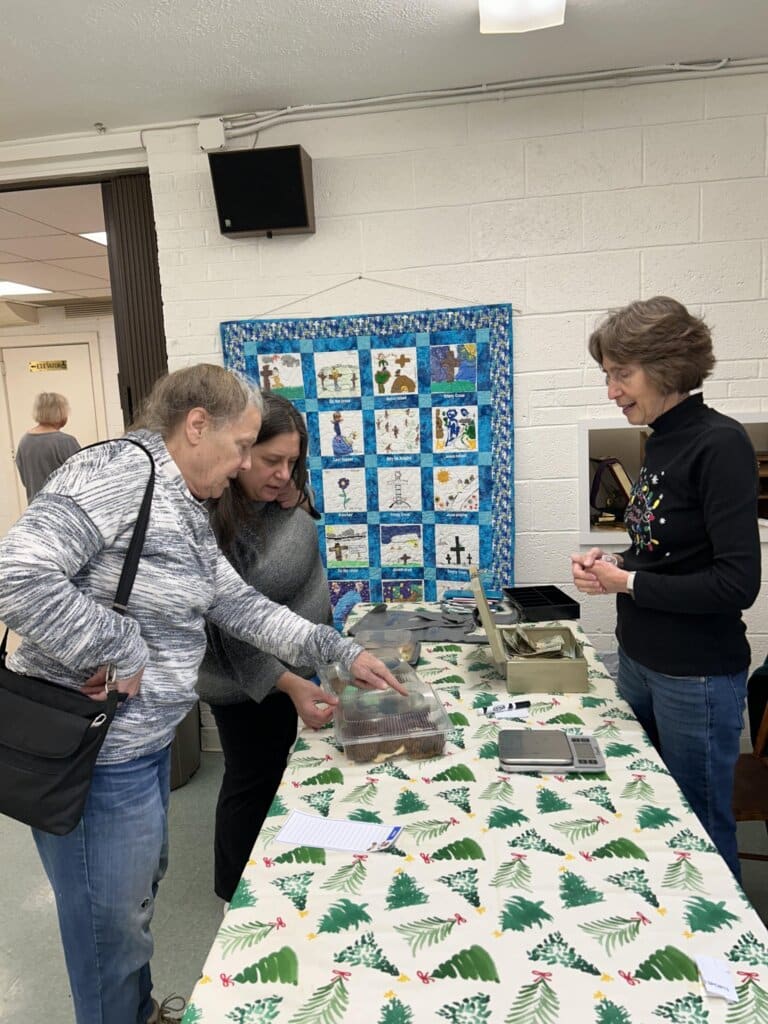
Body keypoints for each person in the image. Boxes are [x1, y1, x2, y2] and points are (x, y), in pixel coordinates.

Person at [0, 364, 403, 1024]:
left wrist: (341, 652)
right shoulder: (115, 474)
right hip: (93, 755)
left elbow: (236, 604)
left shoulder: (181, 498)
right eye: (243, 445)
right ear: (196, 426)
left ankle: (136, 1009)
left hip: (139, 742)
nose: (247, 462)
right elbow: (15, 577)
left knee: (130, 909)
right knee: (107, 930)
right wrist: (122, 645)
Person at [570, 296, 761, 880]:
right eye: (607, 376)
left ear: (667, 365)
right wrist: (618, 563)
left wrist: (626, 581)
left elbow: (736, 584)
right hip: (640, 659)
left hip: (695, 675)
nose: (611, 391)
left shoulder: (719, 443)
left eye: (621, 375)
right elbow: (666, 555)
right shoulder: (660, 441)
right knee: (649, 812)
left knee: (698, 826)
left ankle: (722, 957)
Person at [198, 392, 337, 902]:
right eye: (271, 460)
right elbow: (229, 629)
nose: (283, 472)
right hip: (249, 683)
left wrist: (296, 489)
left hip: (291, 670)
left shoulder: (278, 496)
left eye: (293, 461)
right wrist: (292, 683)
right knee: (252, 779)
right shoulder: (213, 522)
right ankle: (235, 892)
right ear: (238, 454)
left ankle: (270, 868)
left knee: (279, 771)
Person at [14, 391, 80, 501]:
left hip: (36, 507)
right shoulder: (65, 442)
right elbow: (82, 478)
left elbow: (26, 481)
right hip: (63, 509)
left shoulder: (24, 441)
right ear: (59, 413)